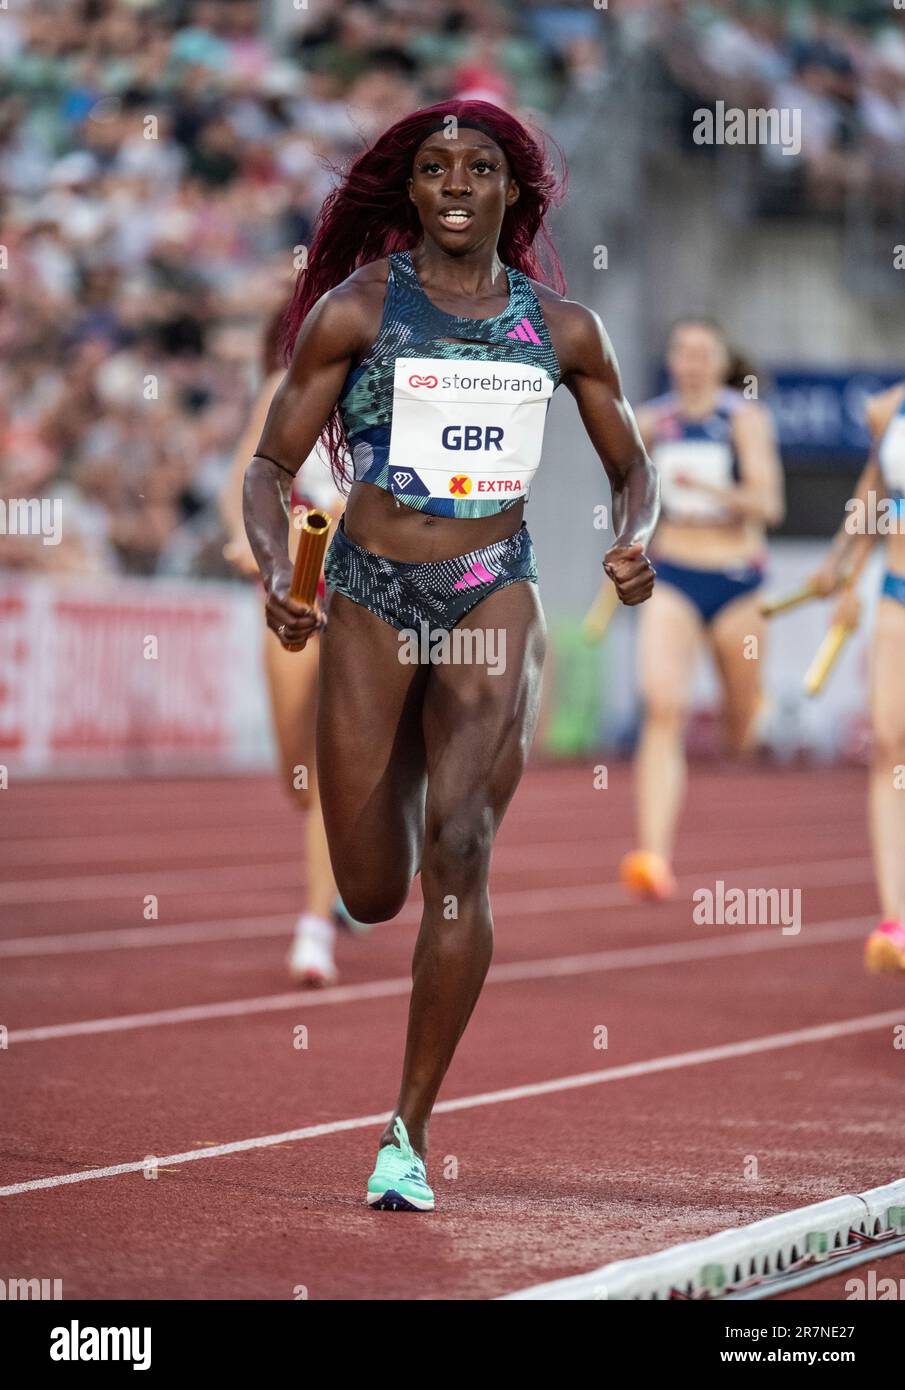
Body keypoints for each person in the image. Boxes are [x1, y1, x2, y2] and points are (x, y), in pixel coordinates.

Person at [243, 99, 658, 1212]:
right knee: (372, 891)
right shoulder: (359, 308)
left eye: (480, 167)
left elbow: (631, 467)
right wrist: (280, 575)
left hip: (489, 588)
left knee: (460, 848)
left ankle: (405, 1132)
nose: (457, 184)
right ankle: (410, 775)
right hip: (372, 594)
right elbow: (269, 467)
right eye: (435, 168)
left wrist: (635, 541)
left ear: (512, 192)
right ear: (413, 191)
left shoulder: (562, 330)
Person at [221, 310, 365, 986]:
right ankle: (350, 855)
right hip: (297, 573)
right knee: (296, 770)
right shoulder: (287, 382)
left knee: (333, 761)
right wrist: (248, 541)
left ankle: (314, 927)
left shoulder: (397, 382)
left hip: (367, 578)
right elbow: (246, 475)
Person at [617, 317, 784, 900]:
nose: (690, 362)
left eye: (701, 352)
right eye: (680, 351)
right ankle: (653, 856)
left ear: (719, 361)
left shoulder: (745, 419)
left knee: (740, 730)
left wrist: (710, 492)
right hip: (676, 576)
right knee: (663, 708)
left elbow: (769, 502)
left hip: (737, 580)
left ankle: (750, 719)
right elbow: (624, 490)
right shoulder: (648, 421)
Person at [809, 380, 905, 972]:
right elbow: (878, 491)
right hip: (897, 592)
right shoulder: (890, 407)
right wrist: (843, 565)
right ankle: (894, 921)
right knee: (890, 750)